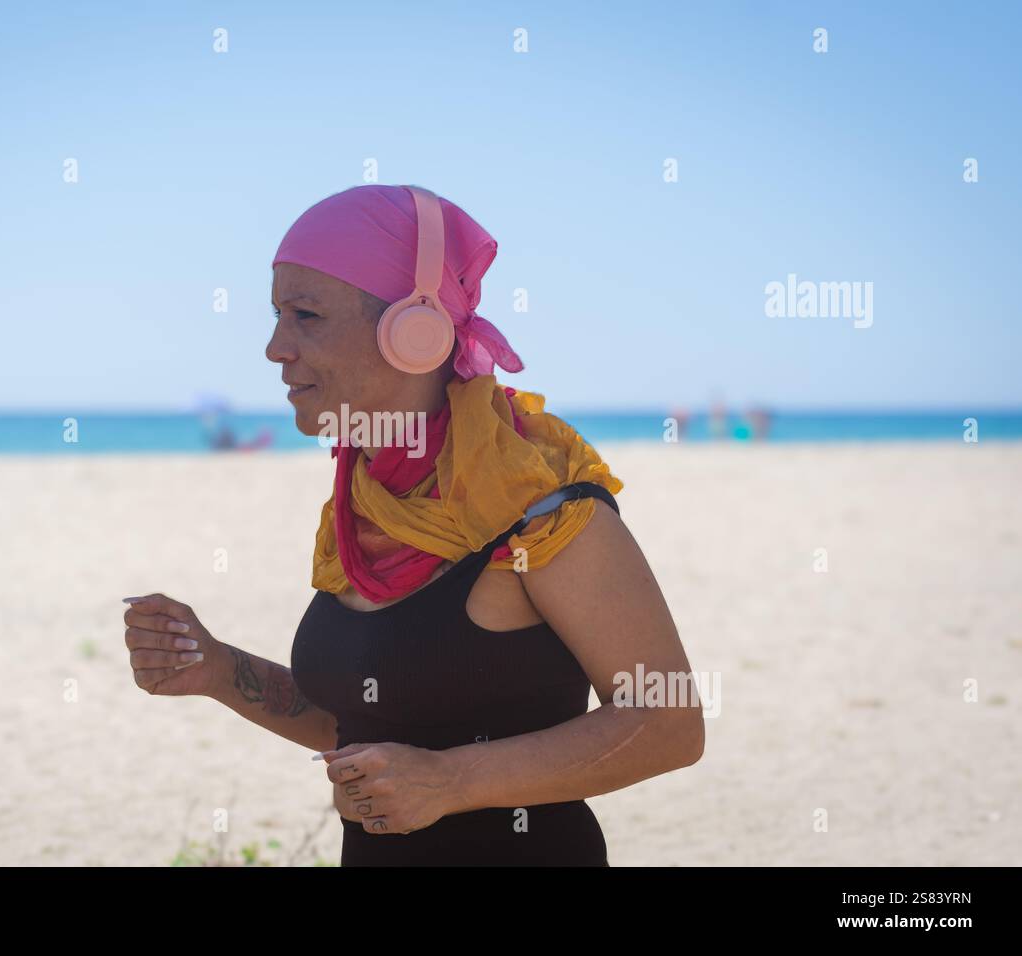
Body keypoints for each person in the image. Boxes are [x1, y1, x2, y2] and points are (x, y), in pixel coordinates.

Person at [122, 184, 703, 866]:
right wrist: (219, 670)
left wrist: (452, 783)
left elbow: (669, 726)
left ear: (414, 331)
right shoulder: (361, 496)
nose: (276, 348)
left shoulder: (539, 506)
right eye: (277, 315)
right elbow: (367, 727)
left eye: (306, 315)